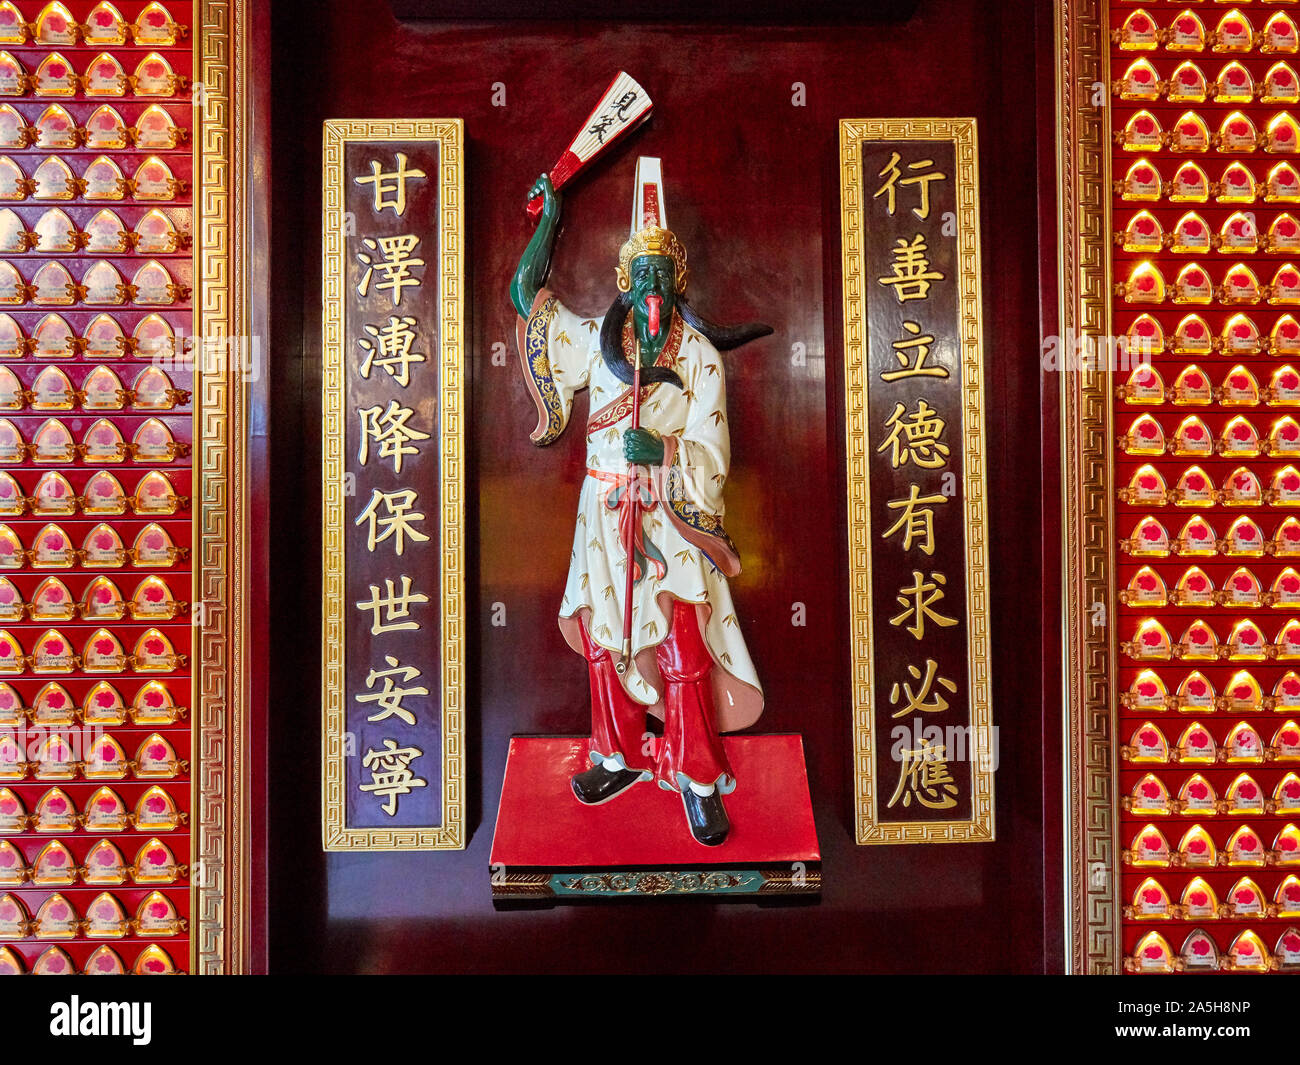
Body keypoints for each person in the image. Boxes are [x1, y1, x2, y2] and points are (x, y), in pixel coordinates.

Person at [510, 158, 770, 846]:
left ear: (677, 284)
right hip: (602, 516)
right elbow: (525, 293)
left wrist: (667, 454)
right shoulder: (595, 345)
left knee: (684, 645)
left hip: (672, 516)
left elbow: (713, 454)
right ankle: (616, 750)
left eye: (664, 276)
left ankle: (695, 773)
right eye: (642, 275)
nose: (652, 287)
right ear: (626, 284)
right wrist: (550, 220)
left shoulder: (703, 359)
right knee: (605, 637)